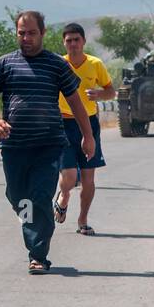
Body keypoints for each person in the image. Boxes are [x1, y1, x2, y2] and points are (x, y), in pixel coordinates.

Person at [0, 11, 94, 275]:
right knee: (18, 196)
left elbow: (75, 101)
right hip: (14, 146)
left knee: (39, 198)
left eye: (31, 33)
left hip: (48, 144)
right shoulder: (4, 64)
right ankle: (33, 228)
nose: (26, 38)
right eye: (21, 33)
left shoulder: (56, 65)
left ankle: (38, 254)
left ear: (42, 33)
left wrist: (88, 136)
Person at [53, 23, 114, 236]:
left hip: (88, 124)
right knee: (69, 176)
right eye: (68, 40)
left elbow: (111, 91)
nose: (73, 44)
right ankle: (63, 196)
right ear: (64, 43)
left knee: (88, 179)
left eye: (76, 40)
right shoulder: (58, 64)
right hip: (63, 124)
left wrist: (100, 94)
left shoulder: (95, 64)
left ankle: (83, 219)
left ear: (84, 41)